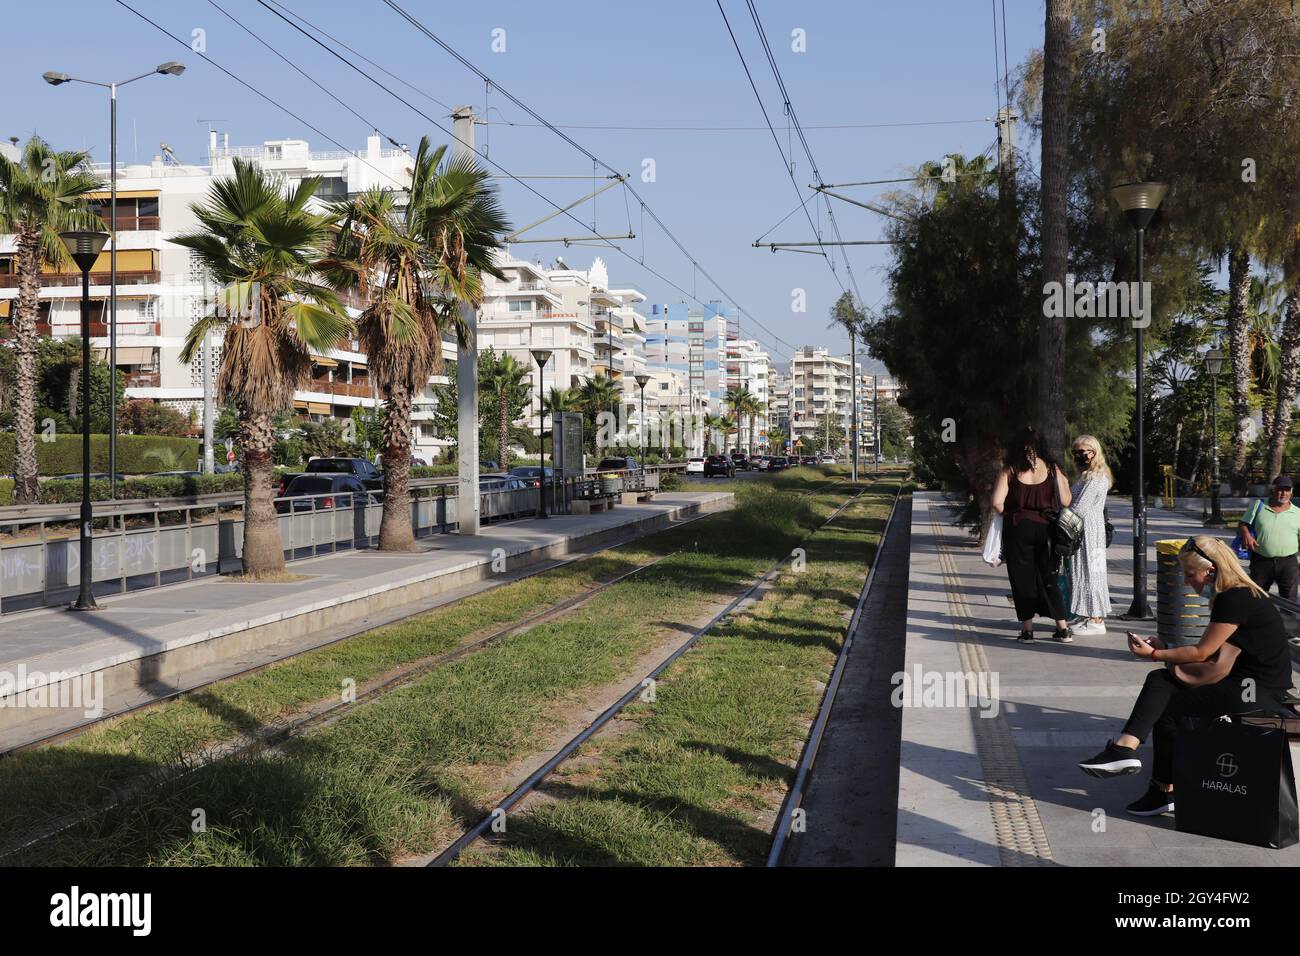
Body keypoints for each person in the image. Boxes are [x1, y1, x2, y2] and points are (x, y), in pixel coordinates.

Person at [1077, 535, 1294, 815]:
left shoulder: (1234, 599)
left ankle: (1156, 783)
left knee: (1168, 704)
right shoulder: (1239, 593)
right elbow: (1216, 655)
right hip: (1248, 684)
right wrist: (1166, 649)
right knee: (1161, 683)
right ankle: (1131, 757)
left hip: (1255, 691)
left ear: (1211, 571)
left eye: (1191, 575)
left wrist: (1155, 655)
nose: (1187, 582)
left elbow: (1202, 653)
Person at [991, 425, 1074, 643]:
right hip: (1047, 530)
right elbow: (1066, 501)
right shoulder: (1053, 469)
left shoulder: (1009, 470)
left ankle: (1027, 631)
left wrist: (1015, 512)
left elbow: (997, 503)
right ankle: (1063, 629)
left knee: (1022, 580)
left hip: (1018, 529)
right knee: (1049, 578)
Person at [1067, 435, 1113, 635]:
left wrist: (1062, 514)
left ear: (1094, 452)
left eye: (1082, 451)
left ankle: (1096, 619)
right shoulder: (1087, 476)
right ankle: (1088, 615)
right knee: (1085, 572)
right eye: (1075, 452)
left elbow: (1080, 507)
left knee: (1092, 573)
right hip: (1087, 531)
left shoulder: (1096, 477)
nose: (1078, 455)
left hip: (1090, 533)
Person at [1238, 475, 1300, 603]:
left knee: (1289, 601)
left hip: (1288, 563)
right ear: (1273, 490)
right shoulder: (1258, 505)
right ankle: (1257, 622)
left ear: (1291, 492)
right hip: (1261, 561)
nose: (1283, 493)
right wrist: (1246, 534)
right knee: (1256, 598)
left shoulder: (1298, 513)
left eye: (1287, 490)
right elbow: (1243, 523)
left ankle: (1287, 622)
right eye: (1280, 489)